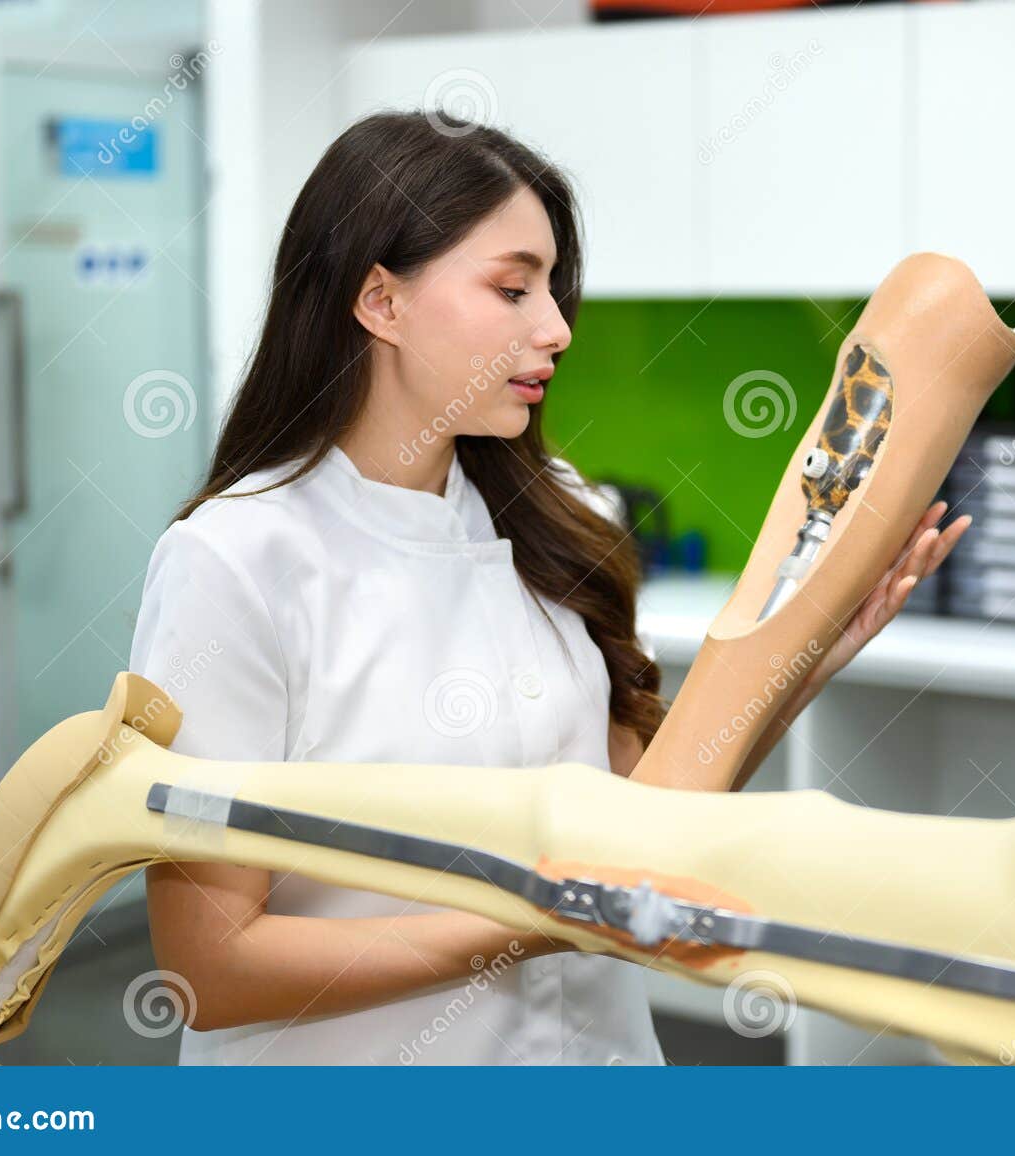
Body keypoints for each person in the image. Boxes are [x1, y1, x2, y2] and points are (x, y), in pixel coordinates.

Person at [128, 110, 962, 1065]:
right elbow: (210, 968)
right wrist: (550, 915)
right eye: (514, 289)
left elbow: (650, 811)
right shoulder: (238, 560)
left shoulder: (557, 514)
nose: (558, 329)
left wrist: (813, 645)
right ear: (380, 302)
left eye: (554, 292)